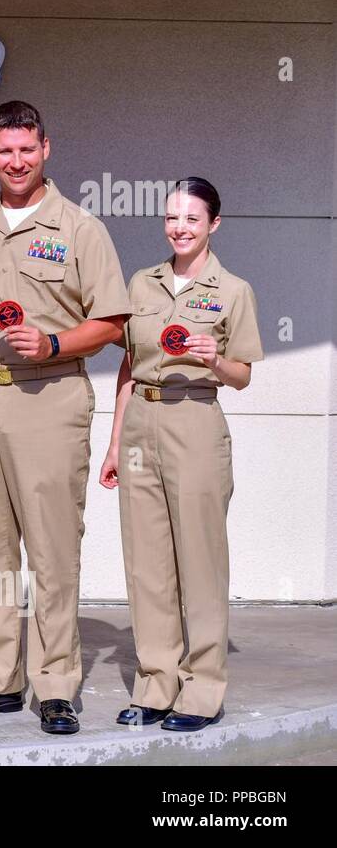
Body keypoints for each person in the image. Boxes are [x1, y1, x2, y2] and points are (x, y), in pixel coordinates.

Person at [0, 100, 130, 735]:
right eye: (4, 150)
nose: (16, 161)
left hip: (48, 398)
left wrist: (52, 344)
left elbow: (111, 321)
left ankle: (55, 685)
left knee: (51, 548)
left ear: (47, 149)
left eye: (27, 149)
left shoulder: (81, 228)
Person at [100, 177, 262, 733]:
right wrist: (117, 441)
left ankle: (203, 690)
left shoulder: (233, 290)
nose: (180, 228)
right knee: (147, 563)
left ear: (213, 224)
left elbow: (241, 376)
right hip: (142, 418)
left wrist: (215, 359)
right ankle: (155, 684)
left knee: (200, 560)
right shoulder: (142, 284)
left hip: (195, 419)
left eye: (192, 219)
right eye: (172, 218)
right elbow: (127, 365)